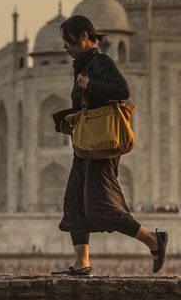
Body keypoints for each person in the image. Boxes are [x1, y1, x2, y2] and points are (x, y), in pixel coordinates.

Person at [50, 14, 167, 277]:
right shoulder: (81, 64)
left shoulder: (100, 62)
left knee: (99, 206)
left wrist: (89, 84)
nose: (65, 48)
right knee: (75, 202)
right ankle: (82, 264)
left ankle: (153, 239)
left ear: (83, 37)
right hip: (86, 145)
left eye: (68, 41)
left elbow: (122, 90)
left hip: (102, 147)